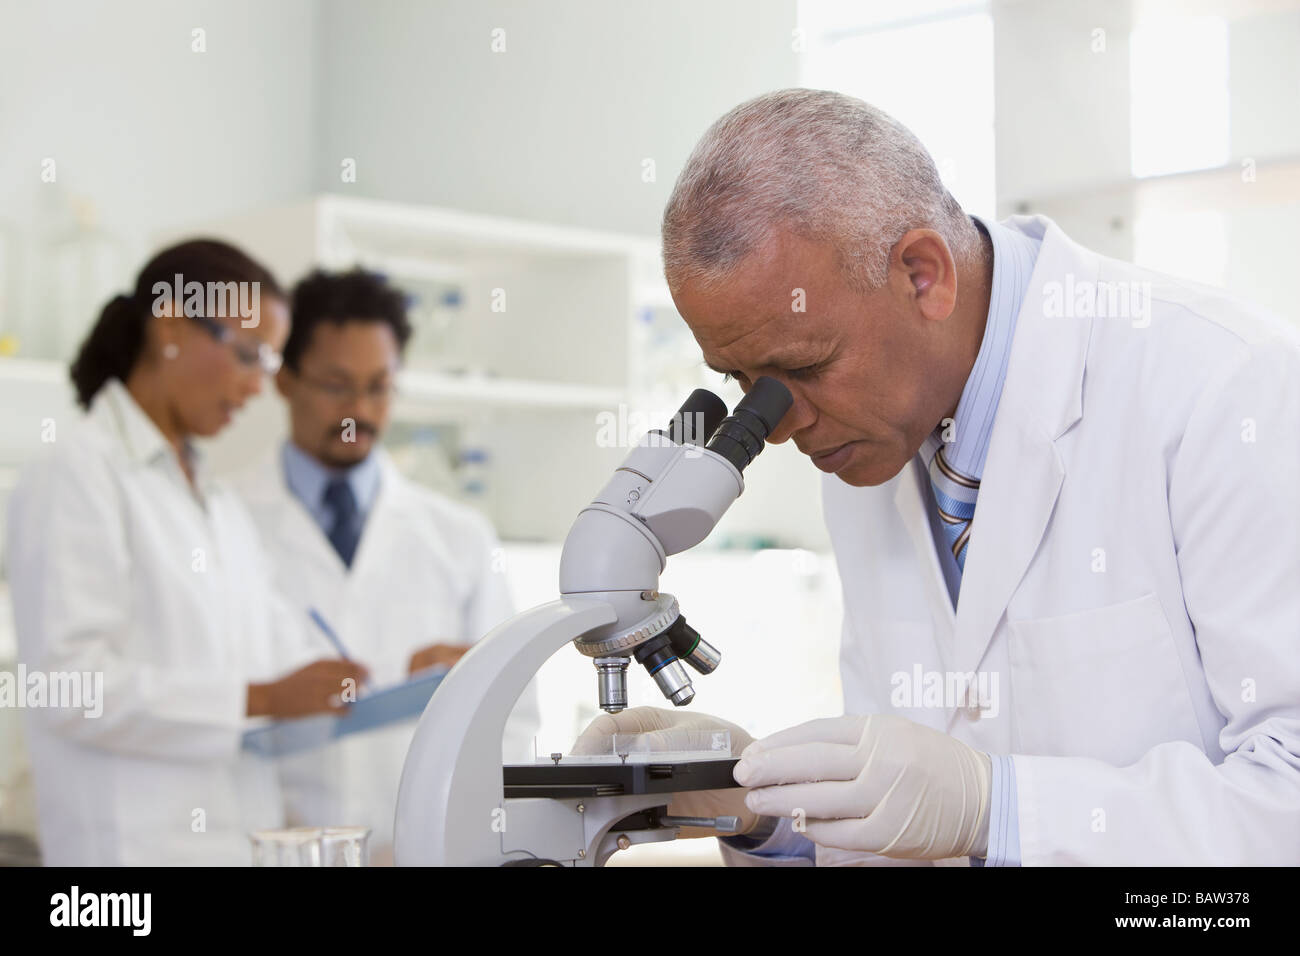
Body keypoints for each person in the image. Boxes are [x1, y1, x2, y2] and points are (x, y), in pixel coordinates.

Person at [579, 89, 1300, 866]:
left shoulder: (1229, 389)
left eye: (802, 368)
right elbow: (920, 815)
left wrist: (1001, 810)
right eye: (744, 382)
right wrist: (761, 811)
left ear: (924, 275)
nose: (781, 425)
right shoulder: (867, 442)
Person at [5, 239, 368, 866]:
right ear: (171, 325)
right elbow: (67, 686)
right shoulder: (76, 474)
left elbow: (279, 653)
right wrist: (257, 699)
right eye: (249, 355)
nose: (259, 386)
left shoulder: (216, 501)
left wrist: (389, 674)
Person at [235, 267, 539, 863]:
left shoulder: (459, 537)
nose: (361, 410)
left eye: (380, 387)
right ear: (285, 381)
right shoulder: (225, 523)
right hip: (275, 852)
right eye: (336, 385)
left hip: (424, 852)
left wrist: (472, 684)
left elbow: (517, 725)